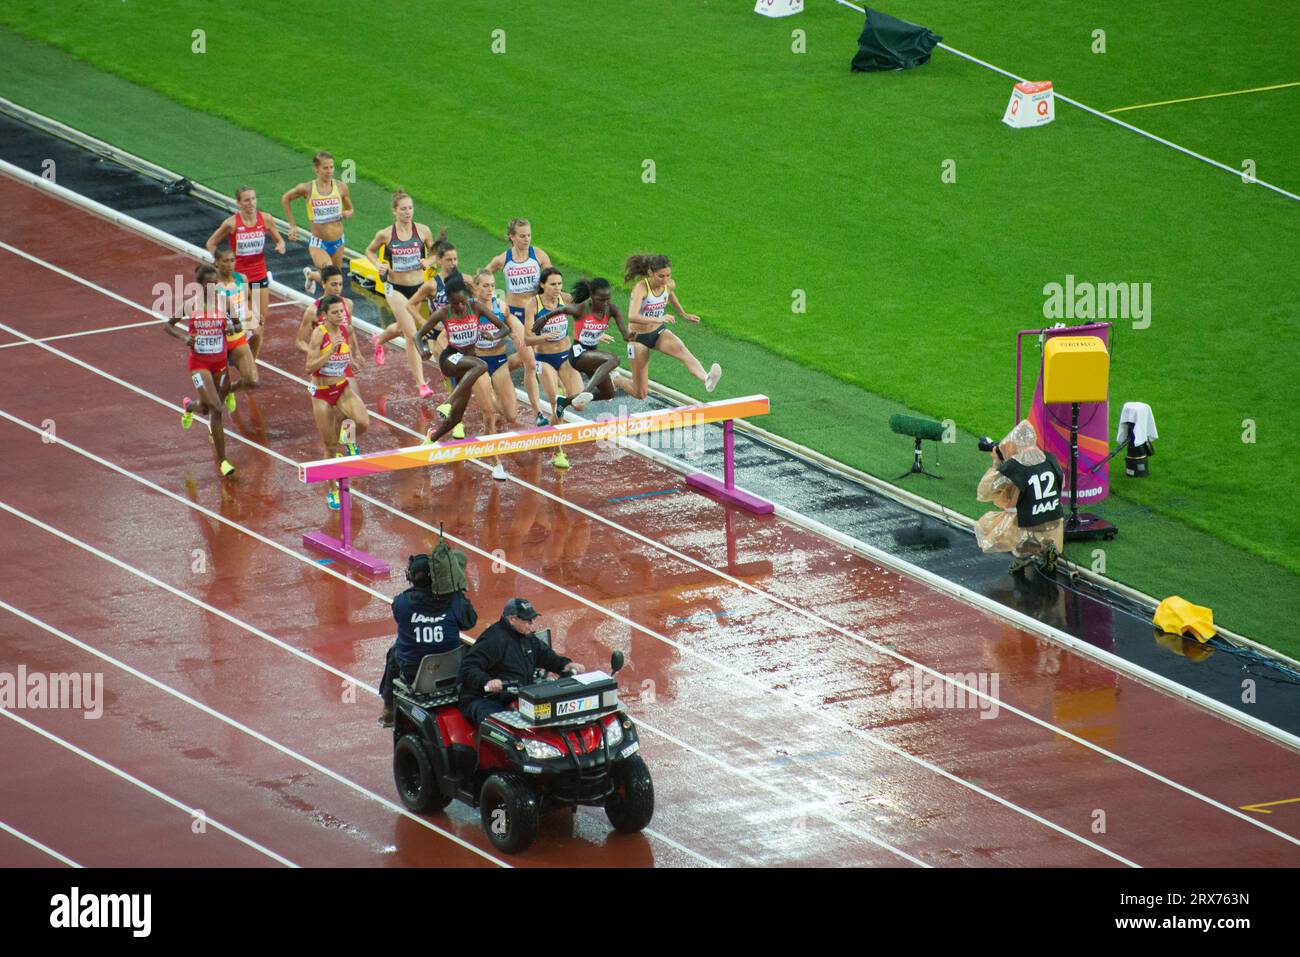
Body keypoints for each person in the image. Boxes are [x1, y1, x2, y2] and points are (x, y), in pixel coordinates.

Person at [378, 552, 478, 727]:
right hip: (452, 669)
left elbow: (400, 616)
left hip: (414, 673)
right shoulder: (454, 600)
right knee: (470, 648)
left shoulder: (402, 602)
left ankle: (389, 707)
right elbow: (470, 622)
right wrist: (456, 590)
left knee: (394, 652)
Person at [414, 272, 508, 445]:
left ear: (468, 297)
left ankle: (430, 439)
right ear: (449, 301)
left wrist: (493, 337)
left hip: (467, 365)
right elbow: (418, 335)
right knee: (481, 366)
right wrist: (423, 350)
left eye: (463, 301)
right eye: (456, 303)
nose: (461, 306)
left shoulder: (476, 307)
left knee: (455, 419)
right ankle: (448, 402)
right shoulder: (443, 313)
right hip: (450, 358)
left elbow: (504, 328)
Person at [459, 598, 584, 725]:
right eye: (527, 620)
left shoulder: (527, 637)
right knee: (503, 727)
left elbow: (545, 655)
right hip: (485, 699)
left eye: (533, 620)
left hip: (517, 696)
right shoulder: (494, 639)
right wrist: (487, 681)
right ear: (512, 619)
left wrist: (565, 664)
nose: (531, 624)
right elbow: (468, 666)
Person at [364, 191, 441, 397]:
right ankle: (421, 384)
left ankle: (379, 339)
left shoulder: (423, 231)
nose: (408, 212)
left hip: (417, 289)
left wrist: (429, 262)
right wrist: (378, 264)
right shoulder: (386, 234)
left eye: (410, 208)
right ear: (394, 211)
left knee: (401, 326)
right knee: (411, 334)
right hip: (395, 287)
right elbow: (369, 251)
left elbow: (436, 254)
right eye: (403, 209)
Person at [165, 264, 238, 476]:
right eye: (209, 283)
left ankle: (190, 407)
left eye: (216, 283)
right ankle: (224, 461)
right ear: (200, 285)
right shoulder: (191, 305)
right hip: (200, 364)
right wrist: (185, 337)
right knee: (216, 408)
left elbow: (238, 325)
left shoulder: (225, 303)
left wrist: (233, 327)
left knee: (206, 408)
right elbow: (168, 325)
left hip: (220, 363)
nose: (214, 286)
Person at [621, 253, 721, 398]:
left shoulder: (668, 284)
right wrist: (659, 318)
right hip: (638, 339)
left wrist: (683, 313)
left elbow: (670, 294)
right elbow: (632, 316)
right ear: (650, 273)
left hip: (658, 333)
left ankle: (707, 379)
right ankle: (616, 379)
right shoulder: (641, 288)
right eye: (661, 276)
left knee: (682, 350)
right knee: (641, 393)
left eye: (668, 275)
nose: (665, 280)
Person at [204, 185, 285, 358]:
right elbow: (211, 243)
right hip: (239, 278)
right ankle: (230, 354)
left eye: (254, 199)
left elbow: (279, 239)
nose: (251, 203)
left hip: (260, 276)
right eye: (247, 200)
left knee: (260, 324)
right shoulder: (231, 223)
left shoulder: (266, 219)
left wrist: (280, 245)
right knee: (243, 321)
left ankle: (251, 363)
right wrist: (219, 260)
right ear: (239, 203)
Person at [974, 419, 1064, 574]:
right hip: (1055, 520)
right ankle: (1046, 549)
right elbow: (1060, 486)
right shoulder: (1050, 459)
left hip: (1026, 522)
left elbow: (984, 492)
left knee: (988, 524)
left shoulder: (1014, 467)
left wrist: (997, 464)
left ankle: (1021, 557)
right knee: (1031, 514)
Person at [306, 294, 370, 510]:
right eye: (335, 312)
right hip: (322, 392)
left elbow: (349, 347)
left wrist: (353, 358)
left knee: (362, 422)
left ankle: (347, 434)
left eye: (342, 311)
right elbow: (309, 367)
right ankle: (332, 491)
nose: (341, 315)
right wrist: (330, 351)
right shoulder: (319, 334)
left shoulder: (346, 329)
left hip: (341, 386)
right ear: (325, 315)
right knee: (330, 446)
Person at [482, 219, 548, 421]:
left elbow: (551, 280)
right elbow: (483, 276)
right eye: (522, 235)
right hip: (516, 315)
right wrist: (491, 297)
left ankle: (495, 372)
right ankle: (538, 412)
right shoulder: (502, 259)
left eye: (529, 235)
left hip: (537, 314)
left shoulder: (539, 256)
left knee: (525, 358)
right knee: (531, 363)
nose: (526, 239)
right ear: (512, 236)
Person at [281, 151, 354, 289]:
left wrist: (346, 213)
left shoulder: (341, 187)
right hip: (319, 243)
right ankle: (322, 307)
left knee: (336, 280)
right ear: (317, 169)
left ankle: (311, 276)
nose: (329, 171)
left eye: (332, 167)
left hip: (339, 241)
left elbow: (350, 209)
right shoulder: (307, 188)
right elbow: (286, 198)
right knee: (331, 281)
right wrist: (292, 225)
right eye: (325, 168)